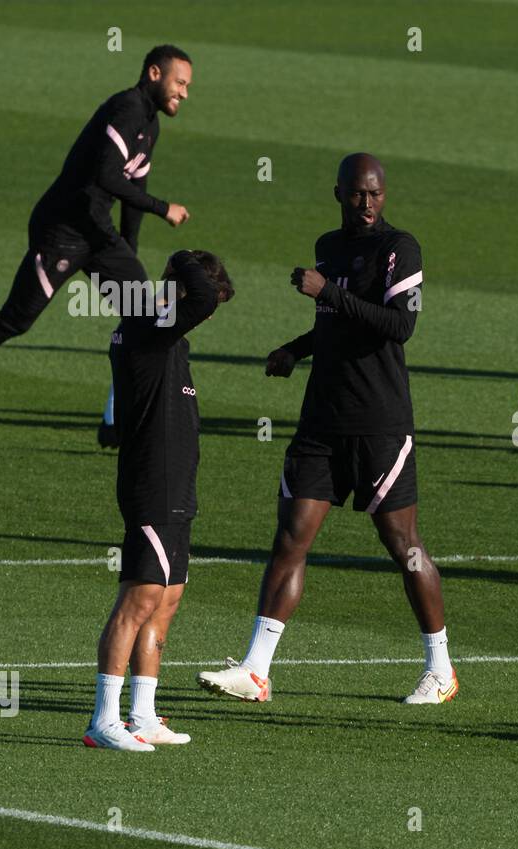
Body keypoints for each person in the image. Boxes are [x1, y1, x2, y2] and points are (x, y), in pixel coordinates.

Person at [197, 154, 455, 706]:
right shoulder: (329, 246)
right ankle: (256, 669)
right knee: (291, 537)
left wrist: (326, 293)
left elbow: (399, 326)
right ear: (338, 192)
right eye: (357, 194)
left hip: (379, 421)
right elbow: (335, 325)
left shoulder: (399, 249)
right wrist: (296, 348)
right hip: (322, 420)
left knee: (403, 546)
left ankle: (441, 668)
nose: (367, 204)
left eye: (376, 195)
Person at [0, 45, 193, 448]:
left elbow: (135, 184)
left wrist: (129, 250)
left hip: (99, 232)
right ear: (155, 73)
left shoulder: (150, 125)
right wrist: (162, 208)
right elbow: (105, 175)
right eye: (180, 82)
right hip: (61, 229)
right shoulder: (126, 108)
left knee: (143, 314)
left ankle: (114, 422)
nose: (184, 93)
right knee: (16, 319)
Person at [84, 249, 234, 750]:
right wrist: (183, 260)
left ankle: (143, 715)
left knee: (166, 601)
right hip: (151, 483)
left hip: (176, 487)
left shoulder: (167, 334)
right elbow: (204, 296)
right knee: (140, 597)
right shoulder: (149, 320)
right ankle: (103, 721)